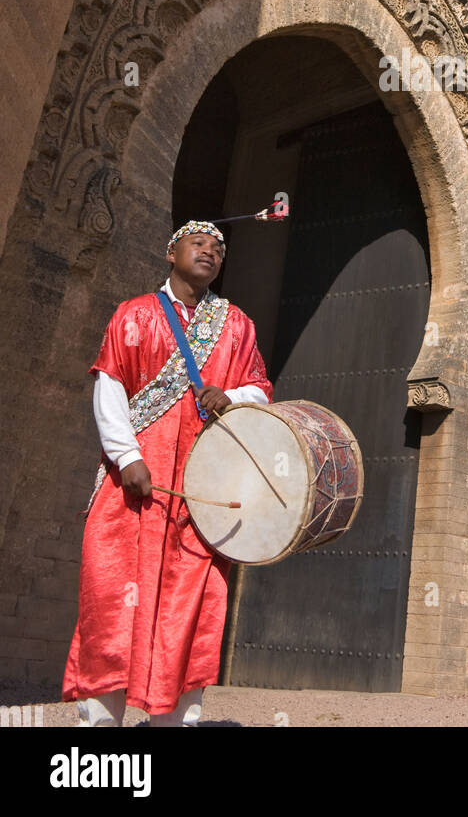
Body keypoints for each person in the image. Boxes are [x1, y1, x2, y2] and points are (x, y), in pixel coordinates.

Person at [62, 221, 273, 727]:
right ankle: (100, 724)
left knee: (191, 604)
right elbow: (110, 387)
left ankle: (177, 721)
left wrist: (234, 396)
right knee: (113, 598)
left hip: (198, 493)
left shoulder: (238, 326)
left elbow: (261, 387)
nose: (210, 252)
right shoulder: (133, 315)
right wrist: (127, 457)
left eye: (218, 249)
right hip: (133, 488)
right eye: (198, 243)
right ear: (171, 252)